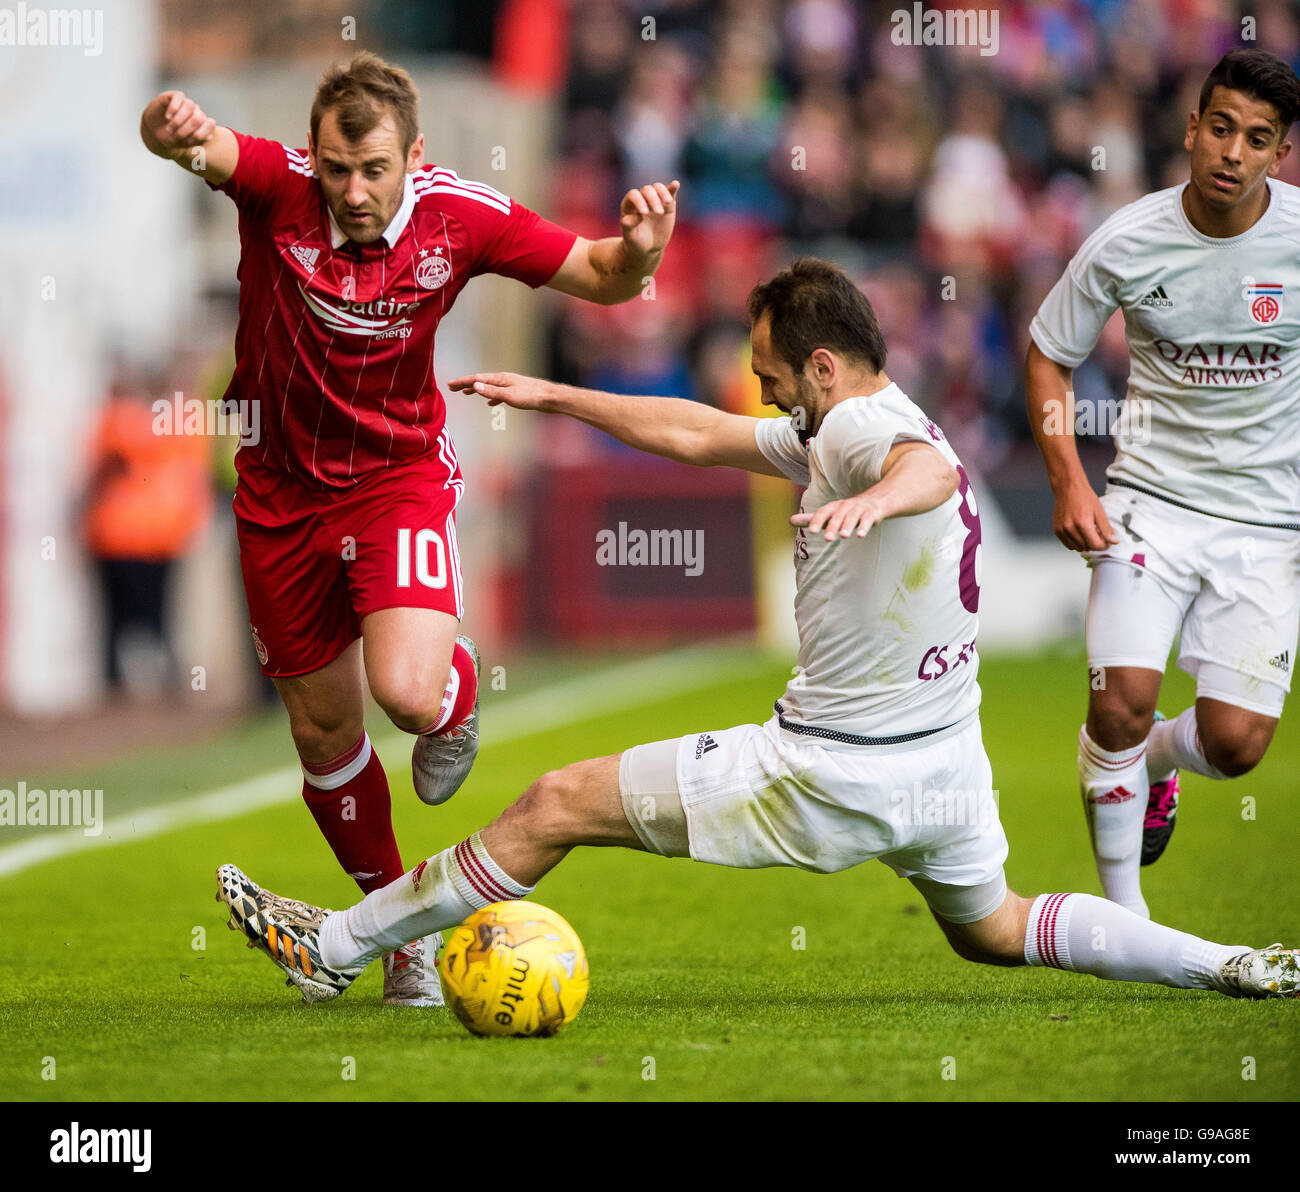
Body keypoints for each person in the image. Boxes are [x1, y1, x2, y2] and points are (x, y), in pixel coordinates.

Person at [216, 258, 1299, 1004]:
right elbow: (694, 432)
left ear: (822, 370)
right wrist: (557, 394)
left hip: (828, 768)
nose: (766, 390)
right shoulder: (854, 418)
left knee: (551, 805)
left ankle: (339, 945)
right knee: (998, 928)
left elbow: (921, 472)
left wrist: (879, 502)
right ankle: (1223, 962)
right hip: (942, 770)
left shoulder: (870, 438)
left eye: (776, 376)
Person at [140, 51, 680, 1006]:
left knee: (403, 691)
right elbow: (187, 144)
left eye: (374, 169)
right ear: (312, 155)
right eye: (337, 169)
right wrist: (169, 124)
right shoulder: (274, 184)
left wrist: (640, 248)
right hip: (276, 496)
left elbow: (601, 274)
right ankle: (399, 934)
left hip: (395, 484)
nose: (353, 191)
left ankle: (455, 691)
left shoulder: (458, 215)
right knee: (321, 732)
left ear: (413, 156)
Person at [1025, 49, 1300, 918]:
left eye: (1257, 139)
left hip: (1267, 523)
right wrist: (1070, 481)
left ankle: (1154, 765)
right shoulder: (1127, 239)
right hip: (1149, 503)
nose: (1232, 152)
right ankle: (1120, 916)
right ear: (1191, 129)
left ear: (1279, 155)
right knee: (1119, 707)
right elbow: (1047, 357)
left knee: (1236, 744)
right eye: (1220, 128)